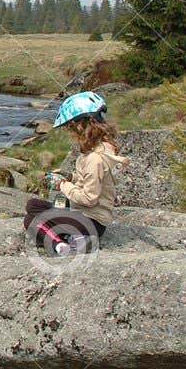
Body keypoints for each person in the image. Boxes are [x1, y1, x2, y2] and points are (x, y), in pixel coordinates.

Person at [24, 90, 127, 257]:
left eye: (70, 128)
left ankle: (64, 245)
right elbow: (92, 179)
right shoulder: (100, 148)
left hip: (91, 220)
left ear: (80, 126)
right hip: (84, 214)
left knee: (31, 220)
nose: (70, 133)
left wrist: (62, 185)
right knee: (33, 205)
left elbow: (89, 198)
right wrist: (70, 177)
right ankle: (74, 236)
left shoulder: (95, 159)